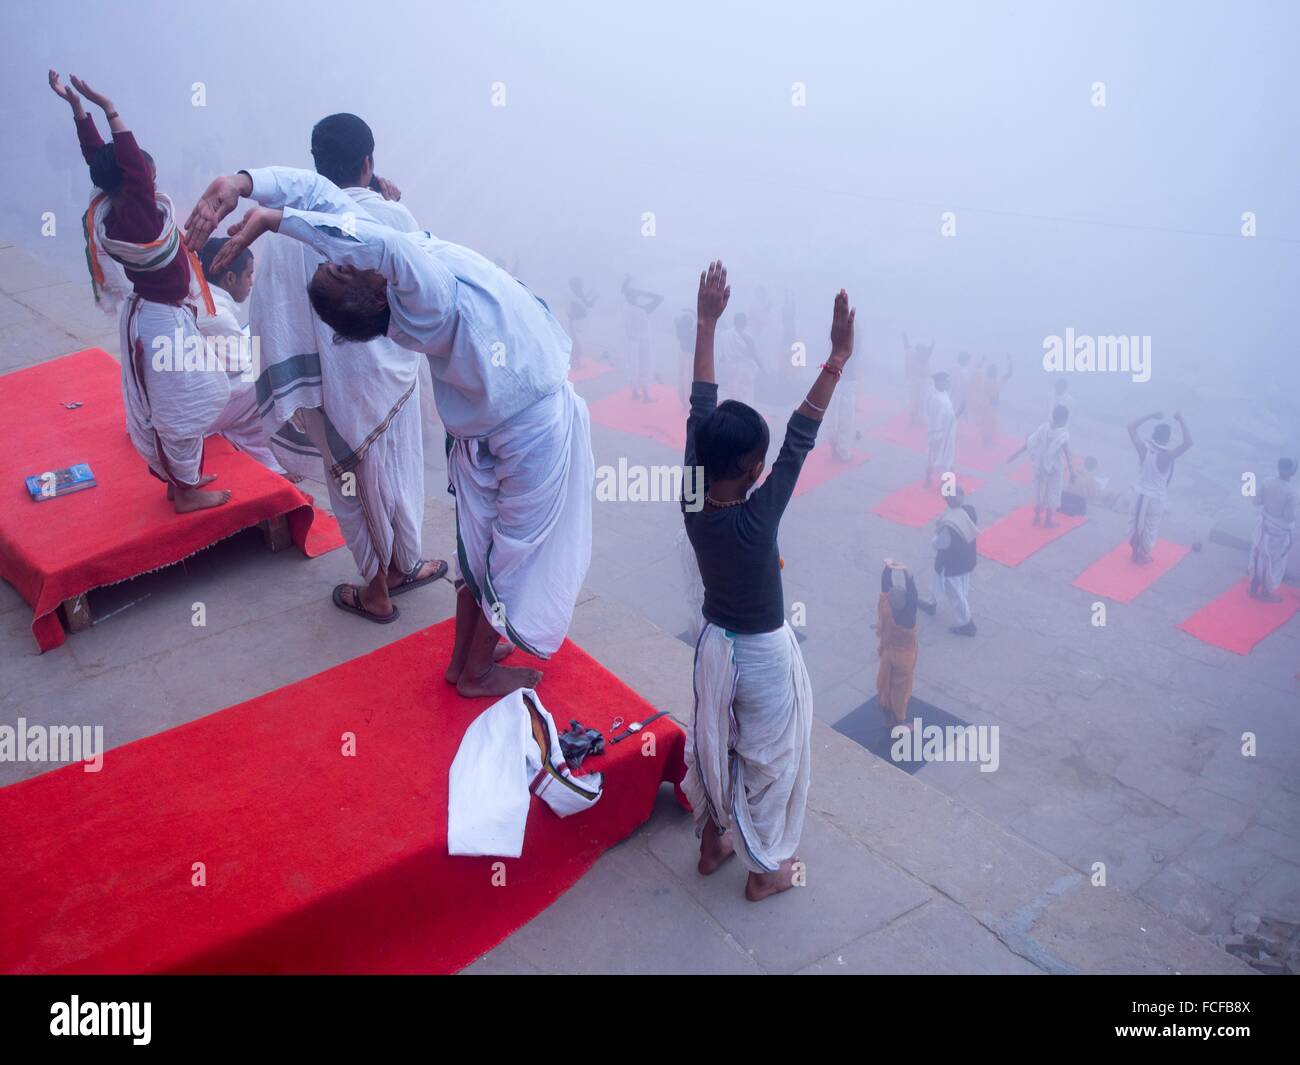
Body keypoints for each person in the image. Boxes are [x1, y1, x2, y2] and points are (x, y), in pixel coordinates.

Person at [187, 165, 593, 696]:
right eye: (341, 269)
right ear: (371, 290)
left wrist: (243, 185)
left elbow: (324, 200)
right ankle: (476, 670)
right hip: (531, 427)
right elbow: (378, 246)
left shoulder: (401, 285)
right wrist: (273, 220)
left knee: (481, 543)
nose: (342, 261)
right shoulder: (422, 290)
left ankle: (464, 659)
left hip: (494, 424)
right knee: (513, 551)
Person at [682, 260, 854, 903]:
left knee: (716, 743)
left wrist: (705, 323)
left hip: (711, 649)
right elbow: (800, 438)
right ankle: (765, 870)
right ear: (754, 469)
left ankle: (712, 842)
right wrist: (836, 356)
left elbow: (701, 413)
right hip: (759, 656)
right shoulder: (758, 515)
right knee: (769, 762)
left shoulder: (695, 499)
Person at [238, 114, 444, 624]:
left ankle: (385, 578)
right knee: (395, 469)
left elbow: (273, 314)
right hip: (392, 378)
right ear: (369, 163)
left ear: (314, 168)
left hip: (332, 385)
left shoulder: (286, 227)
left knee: (352, 481)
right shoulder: (394, 218)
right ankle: (394, 573)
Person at [51, 71, 230, 513]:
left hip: (152, 317)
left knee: (170, 403)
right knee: (181, 407)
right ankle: (186, 493)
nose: (152, 177)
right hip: (162, 320)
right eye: (147, 174)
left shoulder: (114, 210)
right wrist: (109, 108)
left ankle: (179, 481)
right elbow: (125, 162)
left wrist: (78, 110)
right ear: (138, 180)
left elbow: (101, 159)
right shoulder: (143, 216)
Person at [194, 238, 288, 476]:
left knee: (260, 367)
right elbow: (245, 366)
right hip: (191, 415)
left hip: (179, 403)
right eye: (248, 275)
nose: (251, 282)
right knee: (268, 382)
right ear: (229, 279)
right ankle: (268, 460)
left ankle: (257, 451)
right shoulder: (216, 315)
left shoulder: (196, 293)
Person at [1126, 411, 1193, 564]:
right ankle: (1143, 554)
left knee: (1135, 524)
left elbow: (1130, 427)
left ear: (1154, 434)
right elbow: (1188, 443)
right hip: (1156, 498)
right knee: (1150, 527)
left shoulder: (1143, 448)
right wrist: (1181, 419)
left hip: (1139, 493)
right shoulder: (1167, 456)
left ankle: (1135, 551)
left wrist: (1150, 415)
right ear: (1167, 439)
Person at [918, 486, 979, 636]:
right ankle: (931, 602)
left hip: (952, 564)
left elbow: (939, 544)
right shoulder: (970, 510)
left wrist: (937, 531)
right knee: (937, 580)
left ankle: (967, 624)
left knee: (956, 594)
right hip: (966, 558)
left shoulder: (948, 523)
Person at [1008, 404, 1074, 526]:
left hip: (1041, 467)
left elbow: (1030, 443)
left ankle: (1037, 517)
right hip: (1054, 470)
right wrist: (1072, 472)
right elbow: (1068, 453)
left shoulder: (1043, 428)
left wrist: (1016, 453)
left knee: (1039, 491)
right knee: (1052, 493)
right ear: (1064, 419)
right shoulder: (1063, 434)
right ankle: (1048, 521)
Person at [1248, 458, 1298, 602]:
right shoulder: (1293, 493)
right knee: (1274, 562)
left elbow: (1256, 501)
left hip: (1264, 526)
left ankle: (1253, 587)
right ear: (1293, 472)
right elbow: (1288, 517)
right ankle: (1266, 592)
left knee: (1258, 555)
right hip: (1279, 533)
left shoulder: (1266, 482)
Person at [875, 560, 918, 729]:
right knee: (901, 689)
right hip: (904, 658)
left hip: (888, 651)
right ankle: (900, 721)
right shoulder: (908, 617)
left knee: (886, 682)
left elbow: (885, 585)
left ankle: (887, 713)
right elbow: (913, 593)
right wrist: (906, 569)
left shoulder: (886, 606)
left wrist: (888, 567)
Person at [621, 274, 662, 402]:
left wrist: (627, 282)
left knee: (633, 366)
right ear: (635, 297)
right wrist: (643, 293)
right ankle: (645, 394)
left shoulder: (626, 308)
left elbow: (623, 290)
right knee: (644, 366)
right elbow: (659, 298)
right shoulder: (642, 310)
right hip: (643, 342)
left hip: (631, 342)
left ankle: (634, 392)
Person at [970, 355, 1013, 446]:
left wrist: (1010, 361)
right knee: (986, 424)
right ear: (988, 372)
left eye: (995, 371)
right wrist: (982, 360)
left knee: (992, 424)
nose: (994, 372)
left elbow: (1009, 374)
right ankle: (985, 440)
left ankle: (989, 441)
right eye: (992, 370)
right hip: (985, 406)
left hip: (993, 407)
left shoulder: (997, 382)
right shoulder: (984, 381)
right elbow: (976, 369)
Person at [924, 371, 957, 488]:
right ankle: (946, 485)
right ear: (939, 382)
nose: (948, 384)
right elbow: (939, 417)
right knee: (942, 457)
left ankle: (930, 478)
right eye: (946, 382)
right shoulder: (939, 400)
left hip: (942, 430)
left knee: (936, 455)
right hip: (942, 433)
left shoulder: (936, 392)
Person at [903, 333, 933, 426]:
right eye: (921, 350)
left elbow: (929, 352)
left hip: (920, 384)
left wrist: (933, 345)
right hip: (916, 383)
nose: (923, 352)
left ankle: (917, 419)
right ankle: (913, 420)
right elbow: (907, 347)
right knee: (915, 402)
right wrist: (905, 338)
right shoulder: (914, 356)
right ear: (918, 351)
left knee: (919, 403)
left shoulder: (923, 357)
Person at [567, 277, 597, 369]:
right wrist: (594, 296)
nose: (581, 287)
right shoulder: (575, 294)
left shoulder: (576, 293)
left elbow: (584, 301)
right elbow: (587, 303)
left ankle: (576, 360)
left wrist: (591, 294)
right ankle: (576, 360)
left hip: (576, 320)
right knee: (576, 341)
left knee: (575, 341)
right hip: (577, 321)